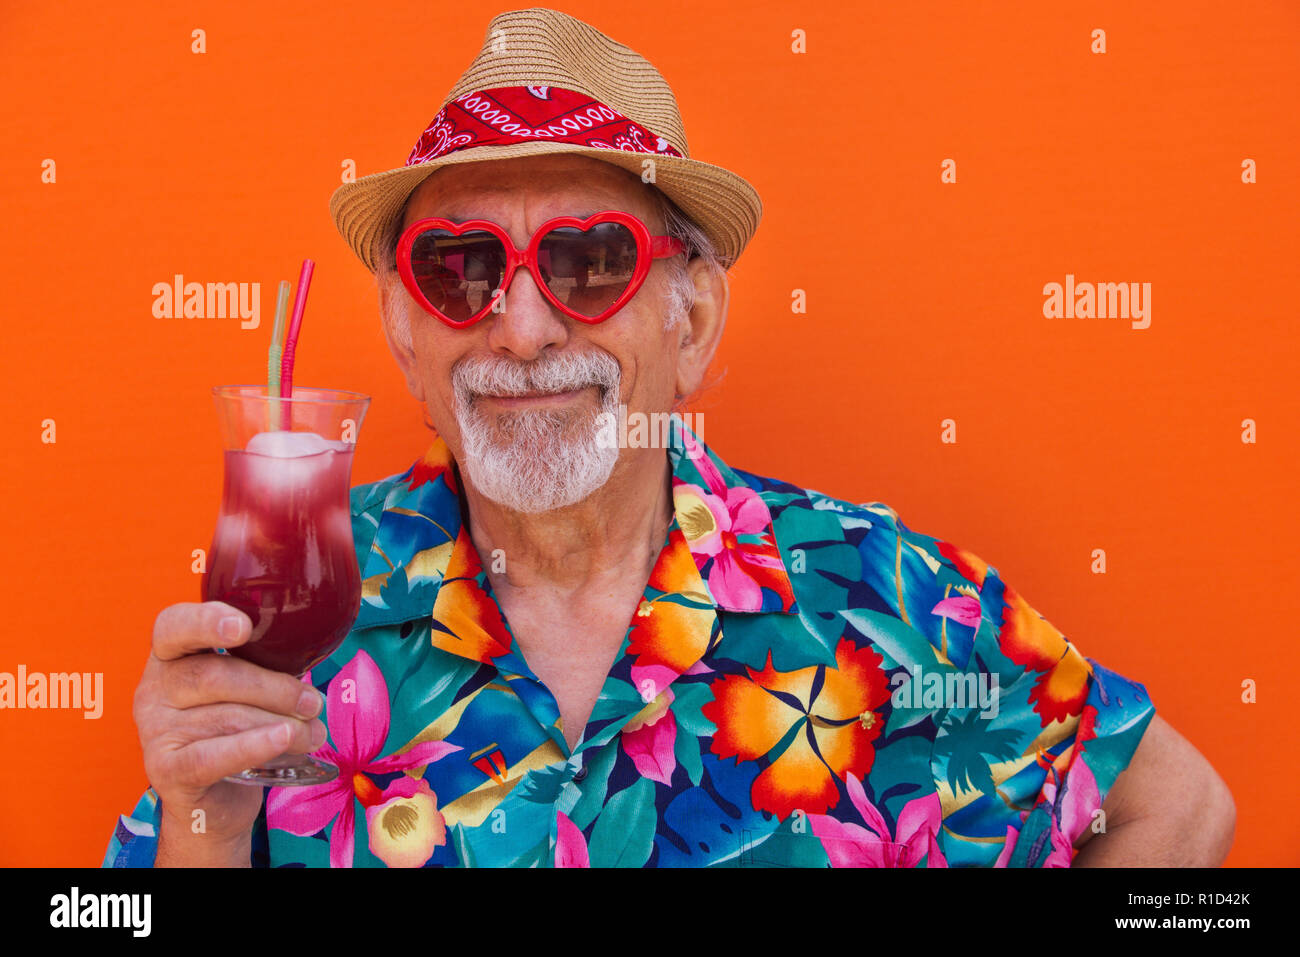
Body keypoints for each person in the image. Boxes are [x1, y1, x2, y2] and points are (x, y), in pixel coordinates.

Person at [106, 7, 1234, 868]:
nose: (524, 328)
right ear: (406, 336)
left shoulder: (890, 601)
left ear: (688, 321)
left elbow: (1182, 811)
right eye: (460, 269)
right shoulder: (289, 632)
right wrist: (206, 811)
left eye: (589, 261)